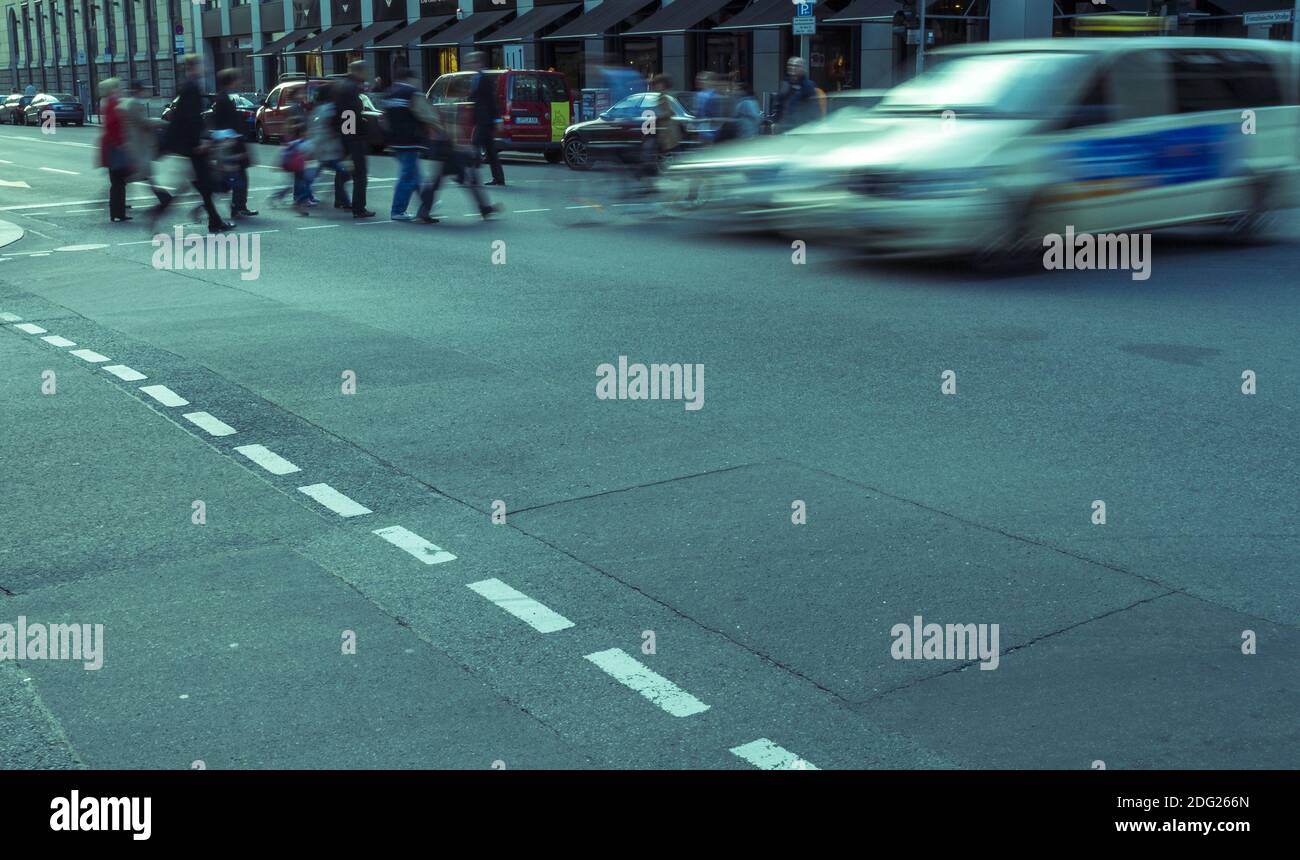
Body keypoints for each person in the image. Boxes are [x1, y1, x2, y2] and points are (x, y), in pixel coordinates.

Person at [149, 54, 232, 233]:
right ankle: (159, 211)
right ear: (194, 67)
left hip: (186, 147)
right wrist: (201, 141)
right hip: (191, 148)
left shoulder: (190, 86)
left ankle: (214, 221)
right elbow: (191, 118)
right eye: (201, 65)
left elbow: (186, 118)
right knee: (201, 186)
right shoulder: (191, 87)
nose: (204, 68)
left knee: (201, 186)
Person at [384, 67, 439, 221]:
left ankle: (426, 203)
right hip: (410, 140)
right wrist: (439, 129)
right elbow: (425, 114)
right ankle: (398, 210)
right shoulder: (412, 93)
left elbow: (384, 119)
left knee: (414, 175)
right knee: (408, 177)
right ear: (411, 78)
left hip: (395, 141)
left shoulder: (389, 93)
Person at [211, 67, 257, 219]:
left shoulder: (223, 98)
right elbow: (225, 124)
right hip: (231, 145)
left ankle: (237, 206)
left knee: (233, 177)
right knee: (237, 178)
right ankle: (237, 207)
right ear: (231, 81)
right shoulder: (223, 99)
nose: (240, 82)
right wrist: (236, 144)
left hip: (231, 144)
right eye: (237, 79)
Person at [119, 80, 173, 209]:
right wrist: (165, 123)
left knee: (145, 173)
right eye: (144, 90)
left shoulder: (128, 103)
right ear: (138, 90)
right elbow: (144, 122)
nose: (146, 92)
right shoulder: (134, 104)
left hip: (136, 142)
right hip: (138, 143)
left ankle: (164, 197)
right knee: (141, 173)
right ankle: (164, 197)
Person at [332, 60, 375, 218]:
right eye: (366, 71)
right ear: (359, 71)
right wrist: (353, 136)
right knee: (360, 174)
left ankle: (340, 199)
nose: (367, 74)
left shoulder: (342, 85)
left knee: (344, 171)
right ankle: (359, 208)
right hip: (352, 136)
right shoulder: (351, 88)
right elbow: (349, 114)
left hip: (344, 134)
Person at [304, 83, 351, 210]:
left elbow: (314, 128)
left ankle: (343, 201)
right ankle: (302, 196)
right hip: (326, 150)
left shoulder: (318, 108)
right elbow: (328, 128)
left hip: (322, 149)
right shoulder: (329, 108)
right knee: (344, 173)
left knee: (313, 176)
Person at [97, 79, 134, 222]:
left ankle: (116, 212)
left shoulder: (108, 101)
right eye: (119, 87)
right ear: (114, 88)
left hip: (111, 146)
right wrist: (121, 143)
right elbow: (113, 125)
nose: (122, 89)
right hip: (115, 147)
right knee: (119, 182)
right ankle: (118, 212)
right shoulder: (113, 102)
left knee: (117, 181)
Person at [466, 52, 505, 187]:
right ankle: (499, 178)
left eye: (472, 61)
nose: (470, 64)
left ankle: (471, 178)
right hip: (481, 120)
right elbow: (474, 97)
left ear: (479, 62)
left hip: (485, 120)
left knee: (474, 146)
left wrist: (498, 120)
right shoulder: (476, 78)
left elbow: (492, 100)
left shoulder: (485, 78)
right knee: (490, 151)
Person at [773, 57, 819, 132]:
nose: (792, 67)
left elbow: (814, 108)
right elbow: (779, 105)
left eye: (796, 66)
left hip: (800, 127)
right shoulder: (785, 83)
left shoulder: (808, 85)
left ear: (802, 68)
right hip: (784, 126)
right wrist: (776, 121)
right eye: (790, 65)